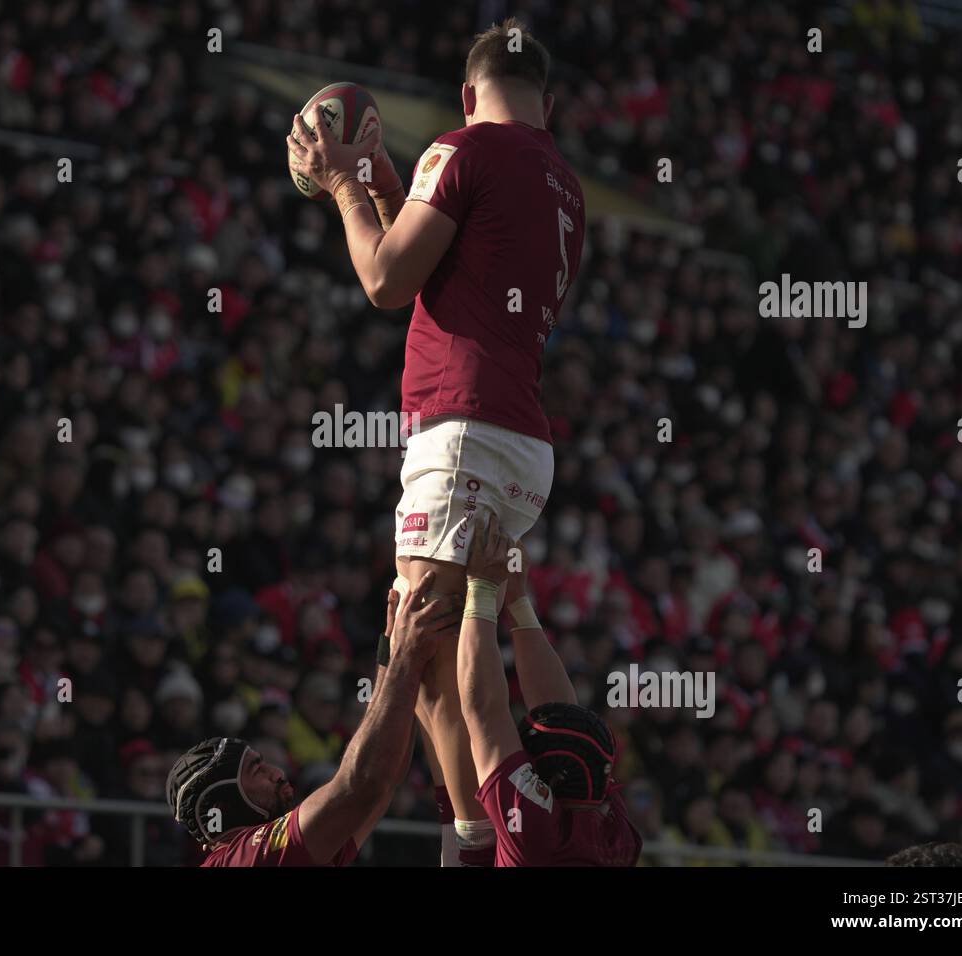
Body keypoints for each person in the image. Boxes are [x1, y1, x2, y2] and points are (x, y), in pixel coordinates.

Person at [287, 17, 584, 860]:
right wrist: (383, 180)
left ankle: (475, 842)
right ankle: (473, 836)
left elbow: (386, 279)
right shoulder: (564, 181)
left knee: (420, 648)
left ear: (464, 95)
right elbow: (453, 269)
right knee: (427, 657)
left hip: (465, 427)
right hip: (517, 436)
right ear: (548, 105)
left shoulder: (461, 151)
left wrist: (344, 184)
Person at [166, 572, 456, 866]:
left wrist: (392, 653)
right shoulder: (240, 858)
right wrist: (404, 658)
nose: (277, 772)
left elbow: (382, 783)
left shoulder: (279, 853)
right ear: (224, 803)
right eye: (257, 771)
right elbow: (362, 782)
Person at [455, 514, 642, 866]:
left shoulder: (541, 833)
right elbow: (561, 719)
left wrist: (481, 587)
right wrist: (516, 600)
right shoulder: (615, 835)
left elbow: (484, 710)